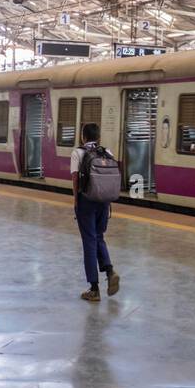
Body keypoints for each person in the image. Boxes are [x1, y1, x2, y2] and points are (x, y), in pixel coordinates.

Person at [70, 122, 119, 302]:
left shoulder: (78, 153)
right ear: (99, 138)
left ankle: (94, 288)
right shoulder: (108, 153)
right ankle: (110, 269)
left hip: (86, 202)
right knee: (99, 236)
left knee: (89, 241)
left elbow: (75, 179)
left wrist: (76, 201)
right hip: (104, 203)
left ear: (83, 137)